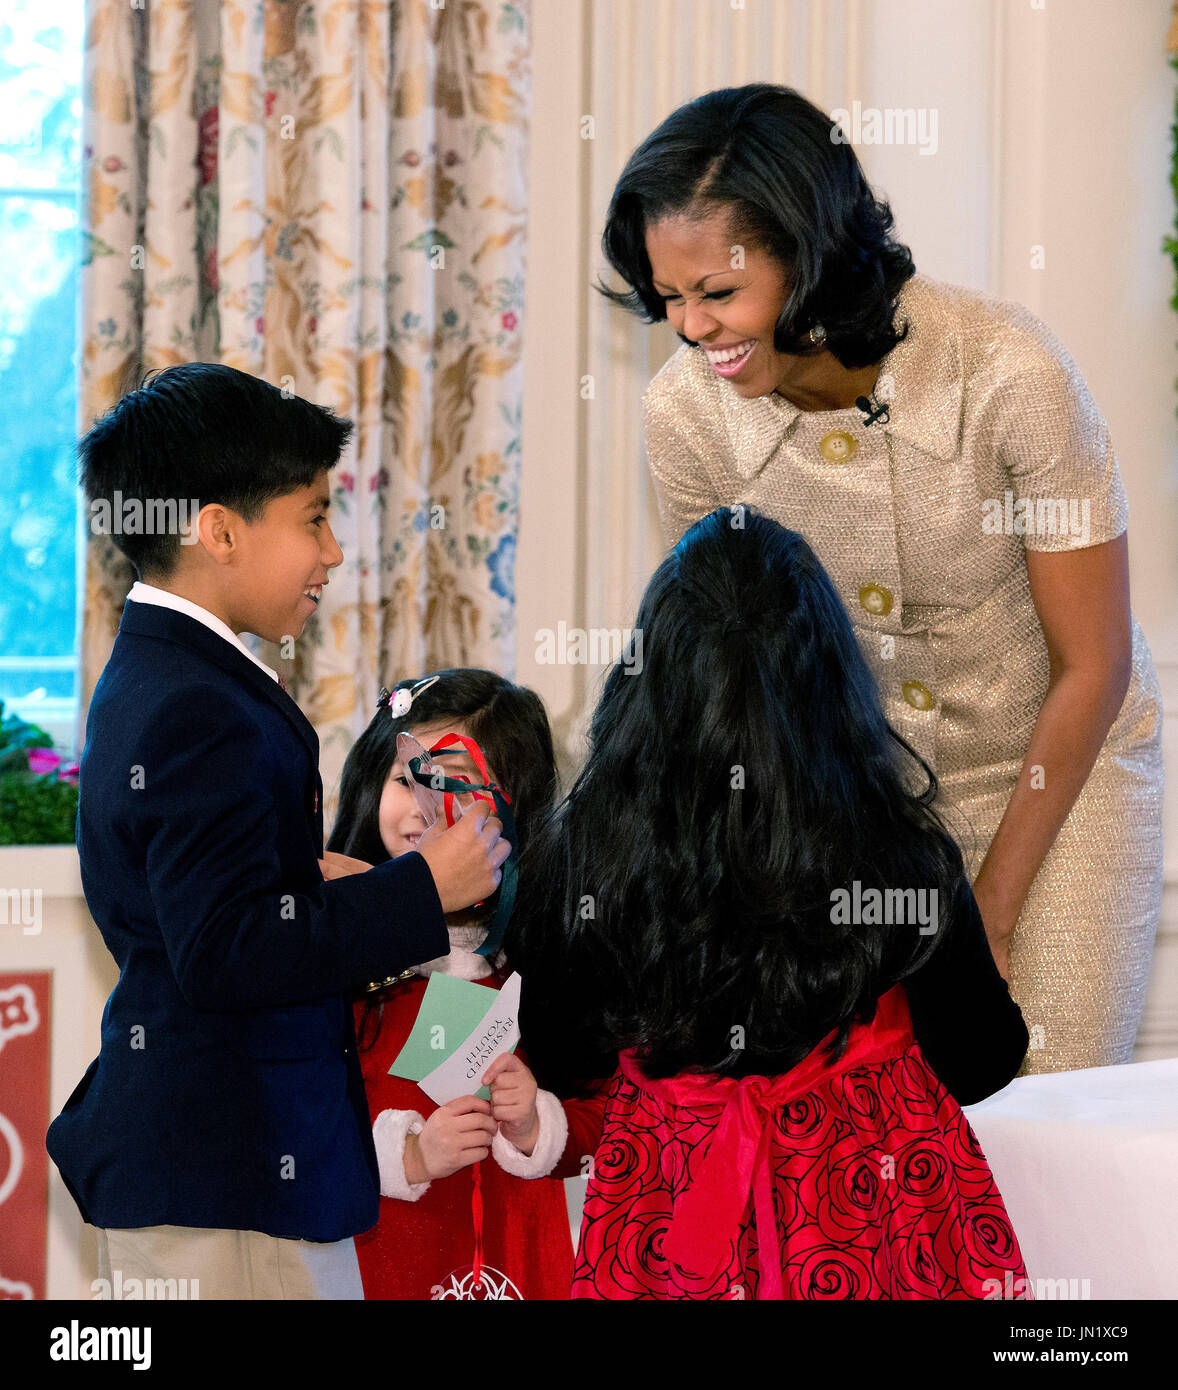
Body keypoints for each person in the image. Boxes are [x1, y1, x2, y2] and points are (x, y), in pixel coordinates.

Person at [597, 82, 1163, 1074]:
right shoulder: (683, 418)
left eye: (717, 293)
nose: (688, 328)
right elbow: (742, 678)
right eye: (668, 296)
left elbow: (1093, 663)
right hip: (864, 811)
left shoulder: (1012, 375)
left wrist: (983, 912)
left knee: (1041, 1108)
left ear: (807, 254)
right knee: (890, 1147)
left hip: (1062, 781)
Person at [47, 363, 509, 1300]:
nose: (334, 551)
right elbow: (226, 952)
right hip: (234, 1172)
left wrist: (308, 878)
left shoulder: (167, 674)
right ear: (219, 530)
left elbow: (213, 912)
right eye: (312, 518)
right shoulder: (196, 707)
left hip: (225, 1167)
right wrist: (421, 890)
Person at [504, 507, 1031, 1301]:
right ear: (831, 679)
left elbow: (560, 1056)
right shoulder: (900, 855)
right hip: (875, 1216)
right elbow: (984, 1058)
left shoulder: (584, 859)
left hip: (665, 1214)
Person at [327, 669, 575, 1300]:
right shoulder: (335, 952)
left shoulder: (545, 959)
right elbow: (289, 1123)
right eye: (403, 779)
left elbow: (605, 1115)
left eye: (454, 784)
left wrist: (536, 1127)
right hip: (375, 1264)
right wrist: (408, 1158)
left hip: (516, 1265)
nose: (422, 806)